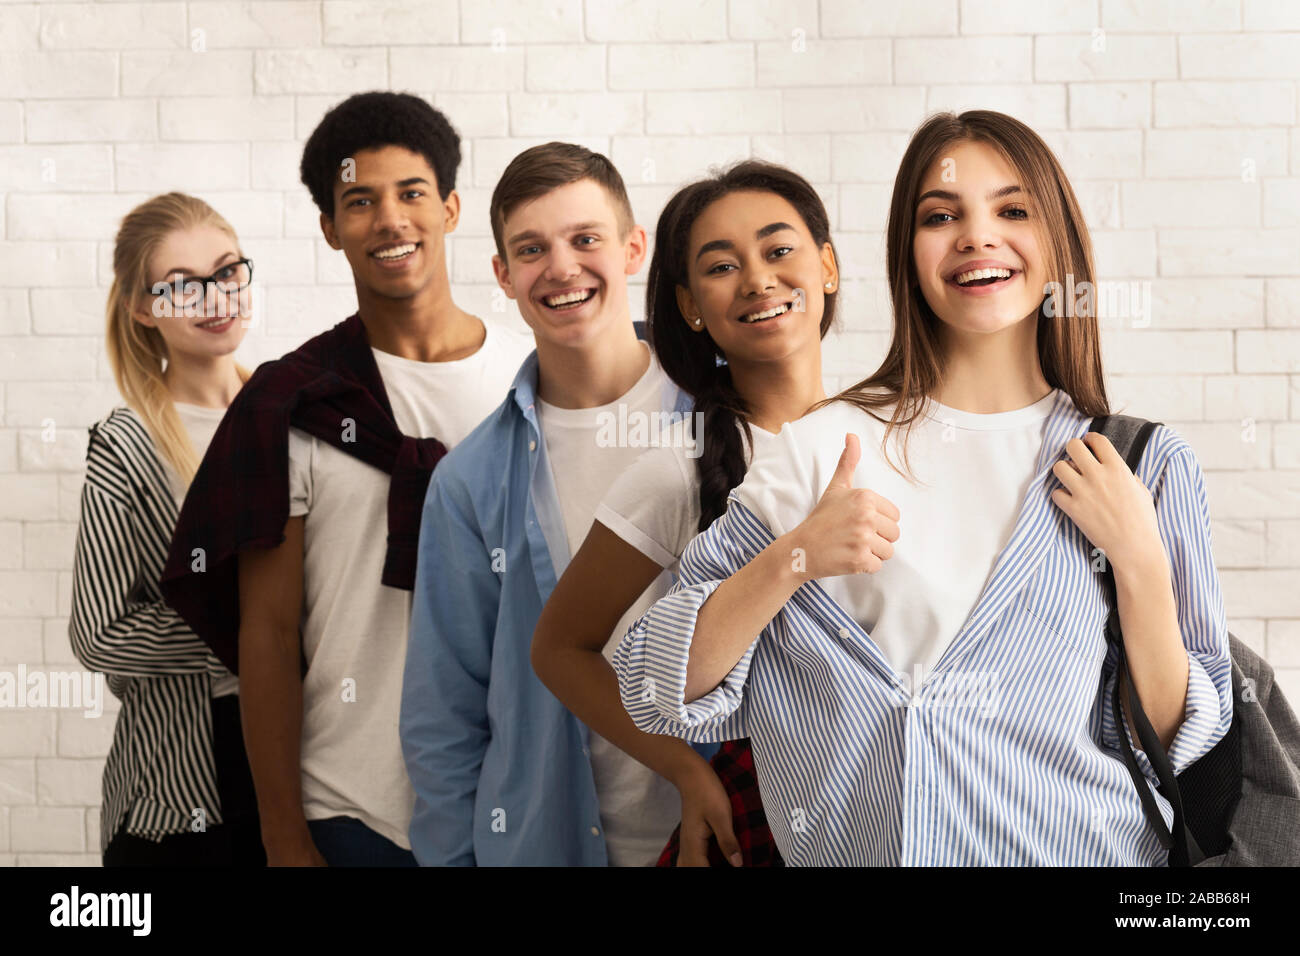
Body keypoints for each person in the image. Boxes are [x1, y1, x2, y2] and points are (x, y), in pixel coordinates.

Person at [615, 110, 1234, 866]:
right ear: (908, 255)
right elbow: (653, 683)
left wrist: (1141, 564)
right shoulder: (821, 449)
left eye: (1011, 210)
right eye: (942, 216)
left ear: (1059, 245)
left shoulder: (1142, 464)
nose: (977, 236)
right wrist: (795, 558)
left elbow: (1182, 741)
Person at [159, 92, 533, 866]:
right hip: (353, 811)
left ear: (451, 207)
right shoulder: (294, 400)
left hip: (522, 790)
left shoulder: (530, 377)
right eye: (359, 201)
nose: (390, 220)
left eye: (412, 194)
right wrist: (283, 834)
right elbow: (265, 632)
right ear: (330, 228)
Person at [400, 142, 716, 866]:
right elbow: (443, 714)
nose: (562, 267)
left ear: (634, 249)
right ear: (504, 276)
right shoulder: (470, 481)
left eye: (585, 239)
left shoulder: (724, 421)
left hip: (721, 832)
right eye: (532, 249)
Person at [532, 160, 841, 867]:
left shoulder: (895, 432)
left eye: (779, 249)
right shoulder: (677, 468)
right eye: (722, 266)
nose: (759, 278)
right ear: (691, 305)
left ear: (825, 266)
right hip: (760, 817)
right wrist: (685, 769)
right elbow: (558, 649)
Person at [70, 192, 262, 866]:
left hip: (306, 760)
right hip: (182, 786)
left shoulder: (293, 414)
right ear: (144, 307)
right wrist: (248, 630)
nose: (214, 298)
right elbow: (96, 635)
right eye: (182, 286)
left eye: (226, 272)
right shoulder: (126, 444)